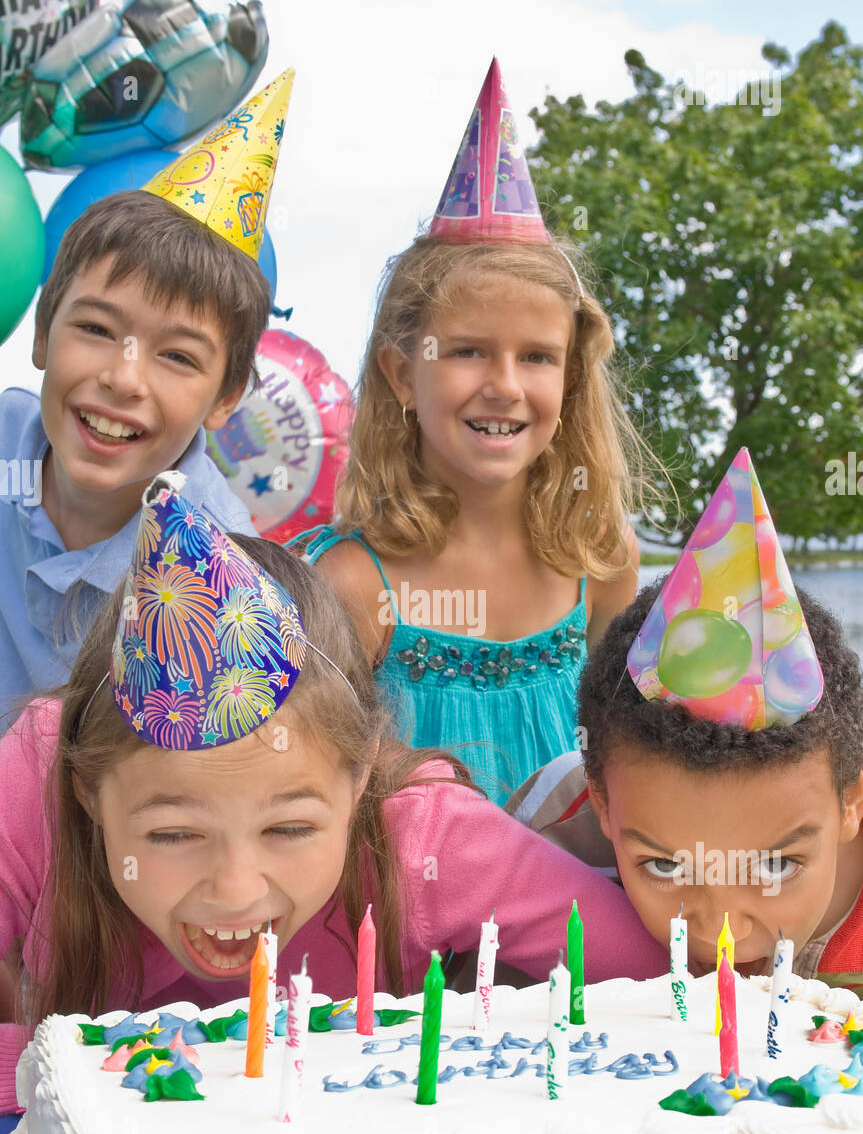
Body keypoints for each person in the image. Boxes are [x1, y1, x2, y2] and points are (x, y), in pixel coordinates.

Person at [0, 476, 667, 1126]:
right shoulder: (39, 779)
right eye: (173, 834)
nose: (236, 890)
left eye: (288, 829)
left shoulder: (419, 836)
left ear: (359, 780)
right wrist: (60, 1072)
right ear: (89, 793)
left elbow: (669, 983)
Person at [295, 60, 661, 805]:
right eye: (466, 351)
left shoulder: (599, 563)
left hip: (572, 886)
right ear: (402, 374)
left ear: (570, 380)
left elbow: (630, 769)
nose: (505, 385)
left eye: (537, 358)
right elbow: (314, 795)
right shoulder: (352, 584)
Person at [508, 449, 863, 995]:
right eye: (666, 867)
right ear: (601, 802)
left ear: (851, 802)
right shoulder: (550, 840)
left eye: (775, 866)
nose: (723, 934)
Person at [0, 68, 295, 722]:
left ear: (225, 397)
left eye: (177, 356)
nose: (125, 377)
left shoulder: (223, 582)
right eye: (96, 329)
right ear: (43, 333)